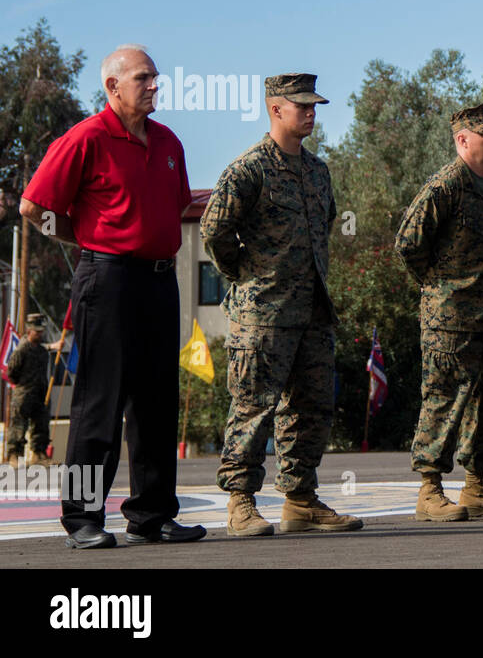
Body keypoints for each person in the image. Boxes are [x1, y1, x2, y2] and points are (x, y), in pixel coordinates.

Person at [19, 44, 205, 549]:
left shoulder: (168, 142)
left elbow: (176, 207)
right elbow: (33, 205)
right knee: (99, 403)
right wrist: (86, 241)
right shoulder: (86, 137)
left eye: (155, 78)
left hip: (160, 280)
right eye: (143, 77)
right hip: (107, 278)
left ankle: (151, 514)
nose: (153, 85)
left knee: (156, 402)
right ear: (112, 86)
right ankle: (82, 519)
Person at [200, 73, 362, 536]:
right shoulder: (248, 170)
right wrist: (246, 278)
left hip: (311, 311)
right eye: (302, 106)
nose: (311, 113)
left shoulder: (318, 172)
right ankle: (240, 501)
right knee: (254, 407)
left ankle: (301, 499)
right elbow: (215, 232)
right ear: (276, 109)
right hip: (263, 314)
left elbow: (323, 229)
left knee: (311, 408)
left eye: (315, 106)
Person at [395, 103, 483, 521]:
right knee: (444, 400)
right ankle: (430, 490)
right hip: (451, 321)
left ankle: (476, 487)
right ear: (461, 139)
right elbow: (408, 244)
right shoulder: (444, 187)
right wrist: (440, 288)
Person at [5, 314, 54, 467]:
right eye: (36, 331)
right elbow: (11, 372)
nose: (40, 334)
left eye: (41, 331)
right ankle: (15, 456)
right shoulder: (22, 349)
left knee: (41, 425)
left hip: (40, 393)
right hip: (24, 394)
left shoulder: (41, 350)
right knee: (18, 427)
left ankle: (39, 455)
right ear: (29, 331)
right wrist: (22, 387)